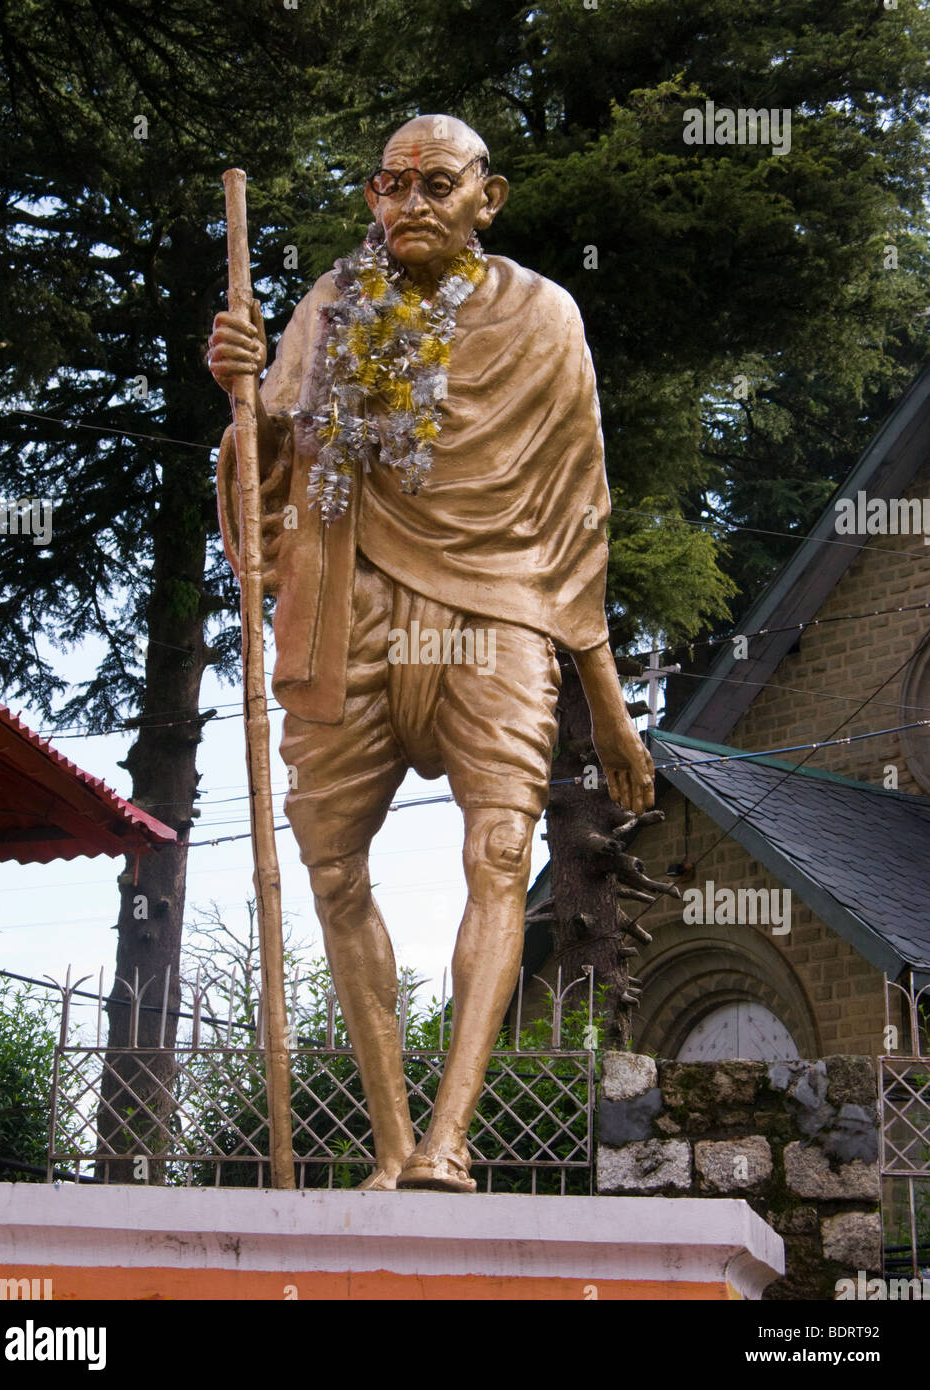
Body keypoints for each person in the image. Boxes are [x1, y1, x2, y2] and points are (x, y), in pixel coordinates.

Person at [209, 114, 654, 1193]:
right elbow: (271, 453)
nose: (409, 204)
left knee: (499, 854)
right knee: (328, 864)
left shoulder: (546, 318)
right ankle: (392, 1141)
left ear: (485, 199)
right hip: (348, 602)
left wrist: (605, 695)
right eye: (390, 184)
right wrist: (247, 396)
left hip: (496, 611)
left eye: (436, 183)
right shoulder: (329, 305)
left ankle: (451, 1139)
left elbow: (577, 512)